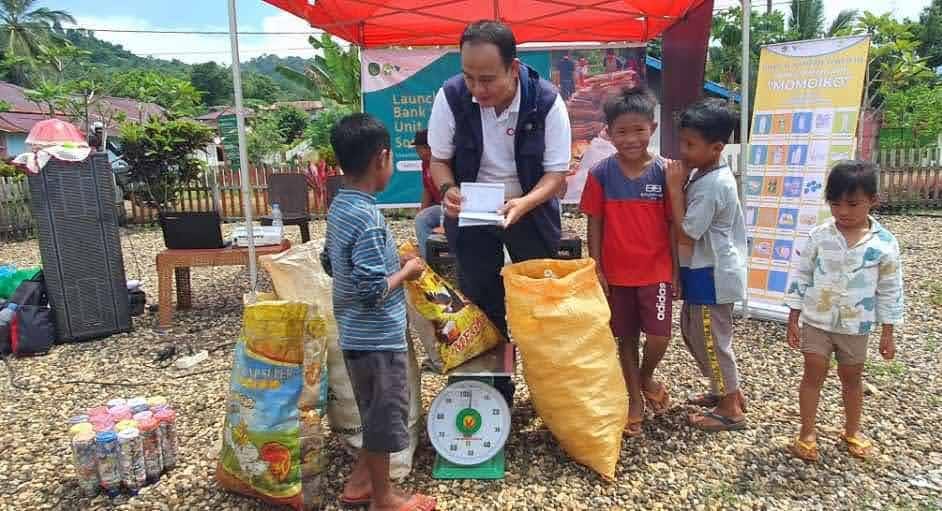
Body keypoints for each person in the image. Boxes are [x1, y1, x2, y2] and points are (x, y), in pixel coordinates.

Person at [427, 20, 571, 405]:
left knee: (541, 302)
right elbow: (438, 160)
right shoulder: (451, 96)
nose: (477, 89)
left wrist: (524, 203)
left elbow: (556, 174)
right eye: (469, 77)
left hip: (531, 206)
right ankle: (495, 395)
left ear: (513, 67)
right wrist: (448, 189)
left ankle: (550, 395)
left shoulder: (547, 101)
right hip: (473, 210)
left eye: (488, 79)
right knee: (481, 302)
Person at [320, 113, 436, 511]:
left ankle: (359, 484)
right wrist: (406, 270)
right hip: (377, 338)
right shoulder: (369, 219)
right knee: (386, 419)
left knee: (373, 413)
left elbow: (330, 263)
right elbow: (372, 291)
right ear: (382, 158)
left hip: (353, 334)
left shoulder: (339, 208)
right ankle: (384, 499)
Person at [785, 161, 903, 462]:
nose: (843, 212)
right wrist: (793, 317)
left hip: (856, 327)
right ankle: (807, 432)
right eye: (835, 203)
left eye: (853, 204)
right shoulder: (819, 236)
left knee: (851, 377)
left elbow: (890, 289)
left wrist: (887, 332)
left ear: (872, 200)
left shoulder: (885, 244)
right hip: (817, 321)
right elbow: (803, 275)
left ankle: (852, 430)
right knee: (813, 372)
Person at [580, 86, 678, 437]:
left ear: (652, 128)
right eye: (621, 131)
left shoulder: (666, 172)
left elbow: (672, 224)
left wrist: (675, 271)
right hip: (616, 275)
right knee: (624, 339)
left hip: (657, 271)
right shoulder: (601, 174)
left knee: (658, 337)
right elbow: (595, 222)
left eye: (638, 129)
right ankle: (633, 399)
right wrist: (597, 266)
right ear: (609, 133)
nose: (631, 138)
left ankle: (647, 375)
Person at [665, 98, 748, 432]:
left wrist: (673, 189)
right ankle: (726, 391)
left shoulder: (713, 184)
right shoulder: (703, 174)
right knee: (695, 334)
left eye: (690, 145)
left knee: (711, 339)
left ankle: (731, 410)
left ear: (716, 148)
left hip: (713, 274)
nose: (683, 151)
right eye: (682, 142)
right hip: (702, 271)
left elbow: (687, 233)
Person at [412, 129, 444, 261]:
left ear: (430, 148)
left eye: (419, 149)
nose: (418, 152)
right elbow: (427, 189)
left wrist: (445, 225)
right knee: (421, 219)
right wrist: (421, 211)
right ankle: (428, 262)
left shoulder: (444, 162)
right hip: (439, 207)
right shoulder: (425, 163)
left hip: (453, 208)